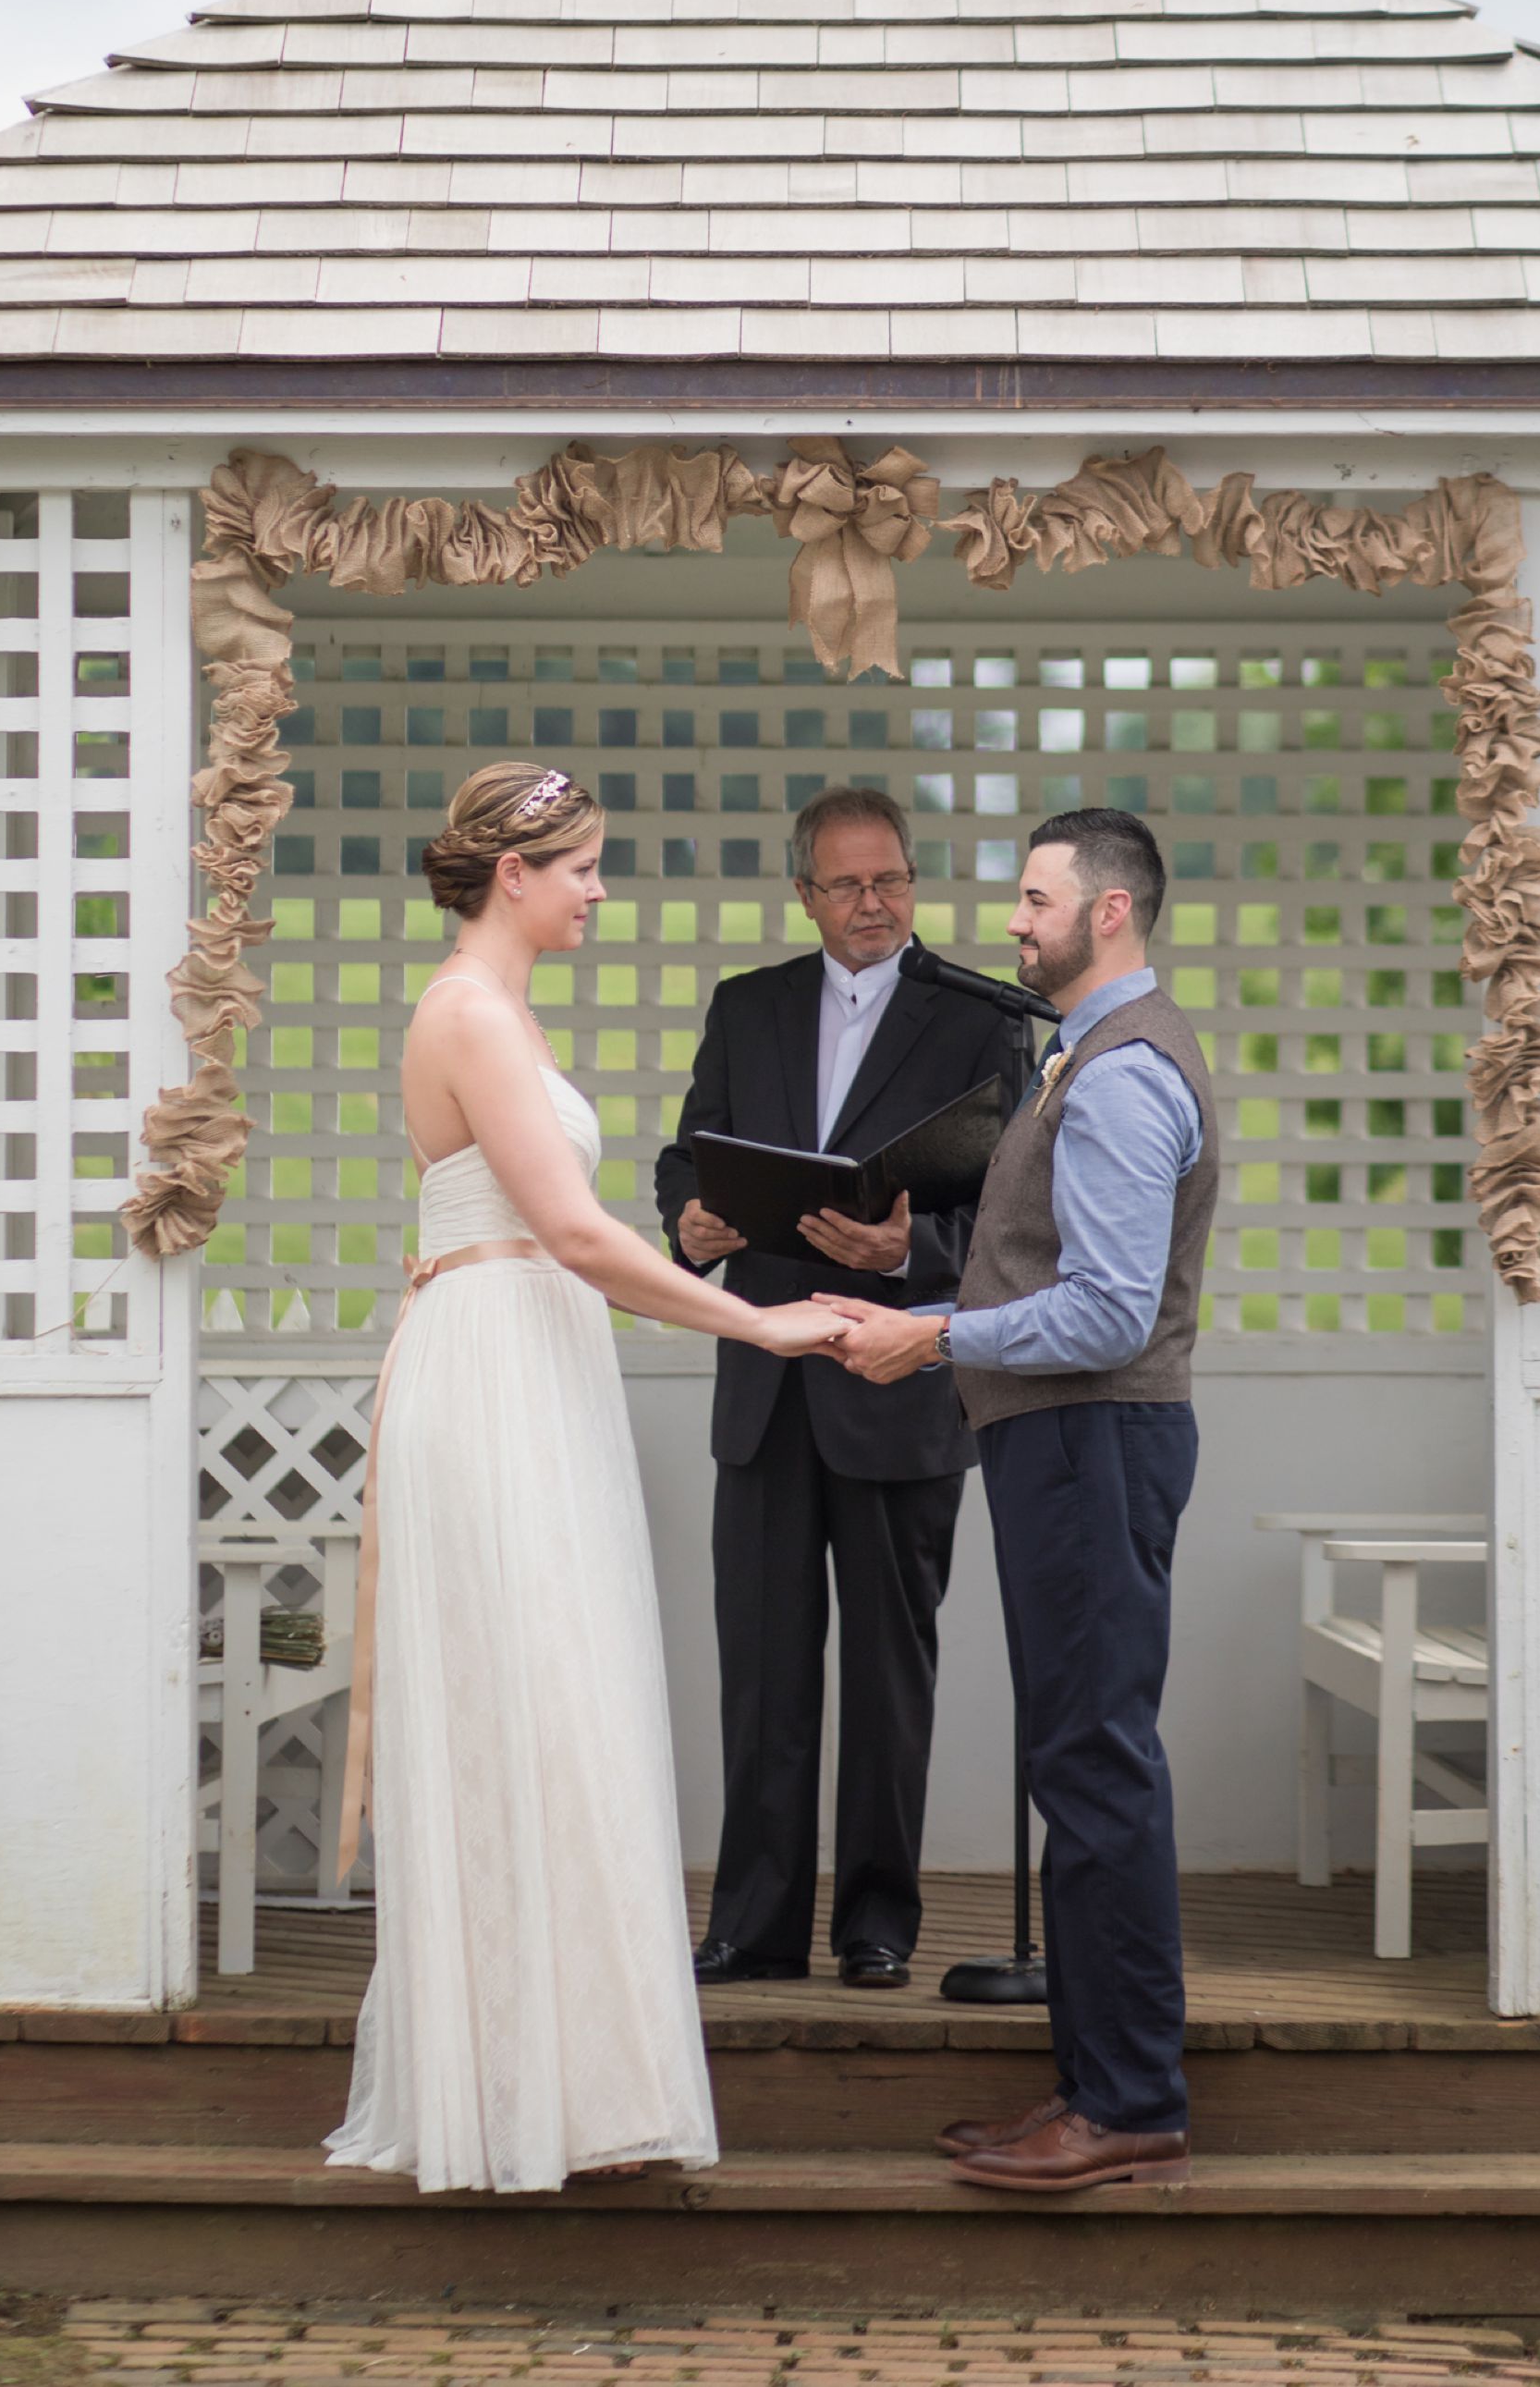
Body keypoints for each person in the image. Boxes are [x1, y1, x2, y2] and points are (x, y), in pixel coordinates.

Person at [324, 760, 842, 2196]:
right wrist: (761, 1323)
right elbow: (571, 1230)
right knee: (518, 1701)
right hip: (489, 1371)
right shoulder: (468, 1012)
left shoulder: (505, 1011)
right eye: (585, 869)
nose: (601, 893)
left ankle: (568, 2077)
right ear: (515, 874)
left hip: (532, 1368)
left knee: (564, 1705)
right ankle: (502, 2094)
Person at [815, 807, 1215, 2193]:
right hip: (1068, 1447)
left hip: (1091, 1443)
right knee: (1080, 1759)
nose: (1016, 921)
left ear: (1108, 913)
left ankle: (1130, 2104)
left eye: (1038, 899)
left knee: (1095, 1766)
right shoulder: (1087, 1062)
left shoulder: (1117, 1078)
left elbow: (1104, 1313)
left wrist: (929, 1334)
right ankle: (1092, 2087)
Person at [655, 790, 1016, 1990]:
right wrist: (691, 1220)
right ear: (804, 894)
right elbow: (689, 1149)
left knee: (887, 1677)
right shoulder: (747, 1006)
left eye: (893, 882)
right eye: (849, 885)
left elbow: (1007, 1212)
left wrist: (905, 1257)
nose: (874, 905)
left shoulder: (977, 1019)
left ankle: (875, 1927)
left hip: (898, 1383)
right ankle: (752, 1926)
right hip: (765, 1384)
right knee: (762, 1672)